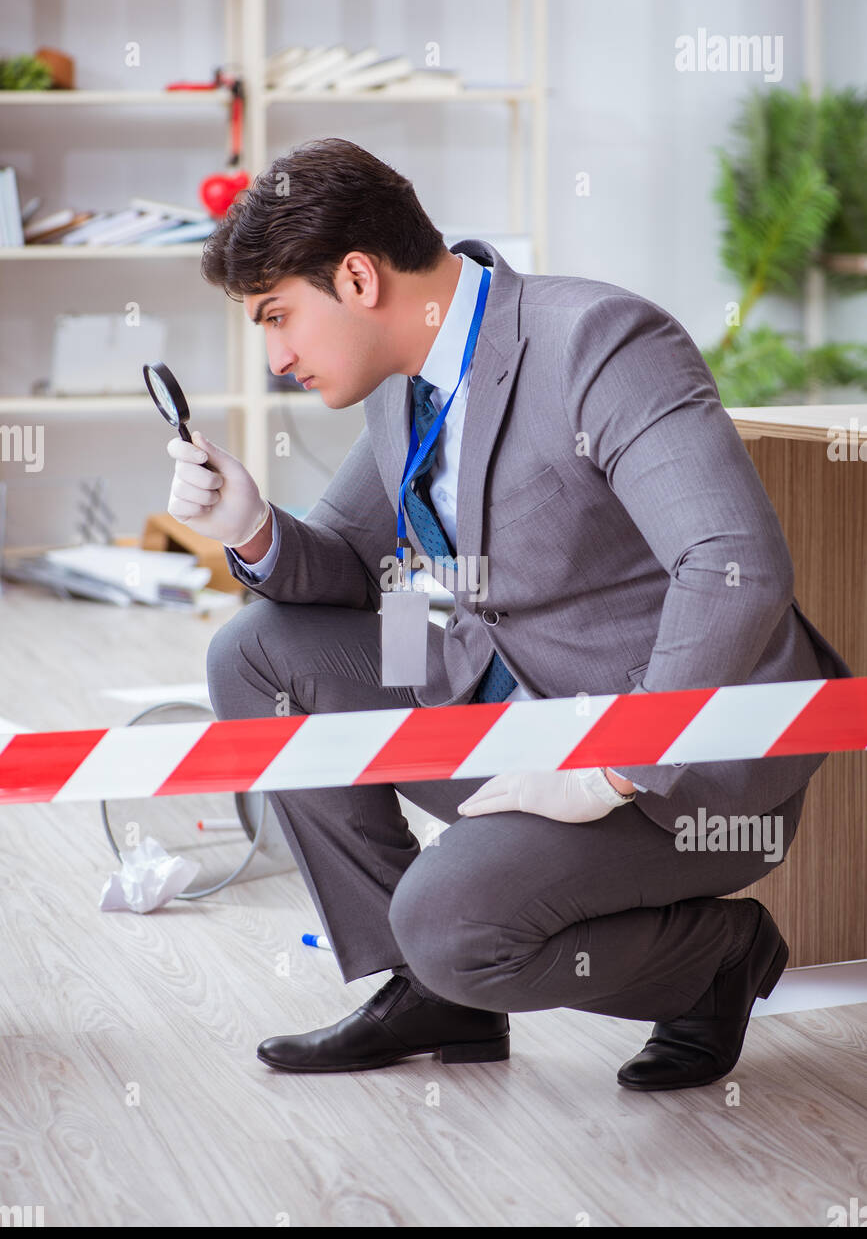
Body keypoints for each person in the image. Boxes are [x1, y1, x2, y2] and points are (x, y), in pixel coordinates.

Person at [166, 137, 852, 1090]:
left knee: (452, 920)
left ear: (358, 277)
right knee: (258, 655)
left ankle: (714, 959)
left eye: (277, 317)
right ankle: (431, 991)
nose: (276, 356)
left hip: (680, 770)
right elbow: (349, 568)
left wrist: (618, 764)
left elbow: (732, 563)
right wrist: (248, 525)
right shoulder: (404, 383)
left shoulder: (597, 341)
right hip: (521, 714)